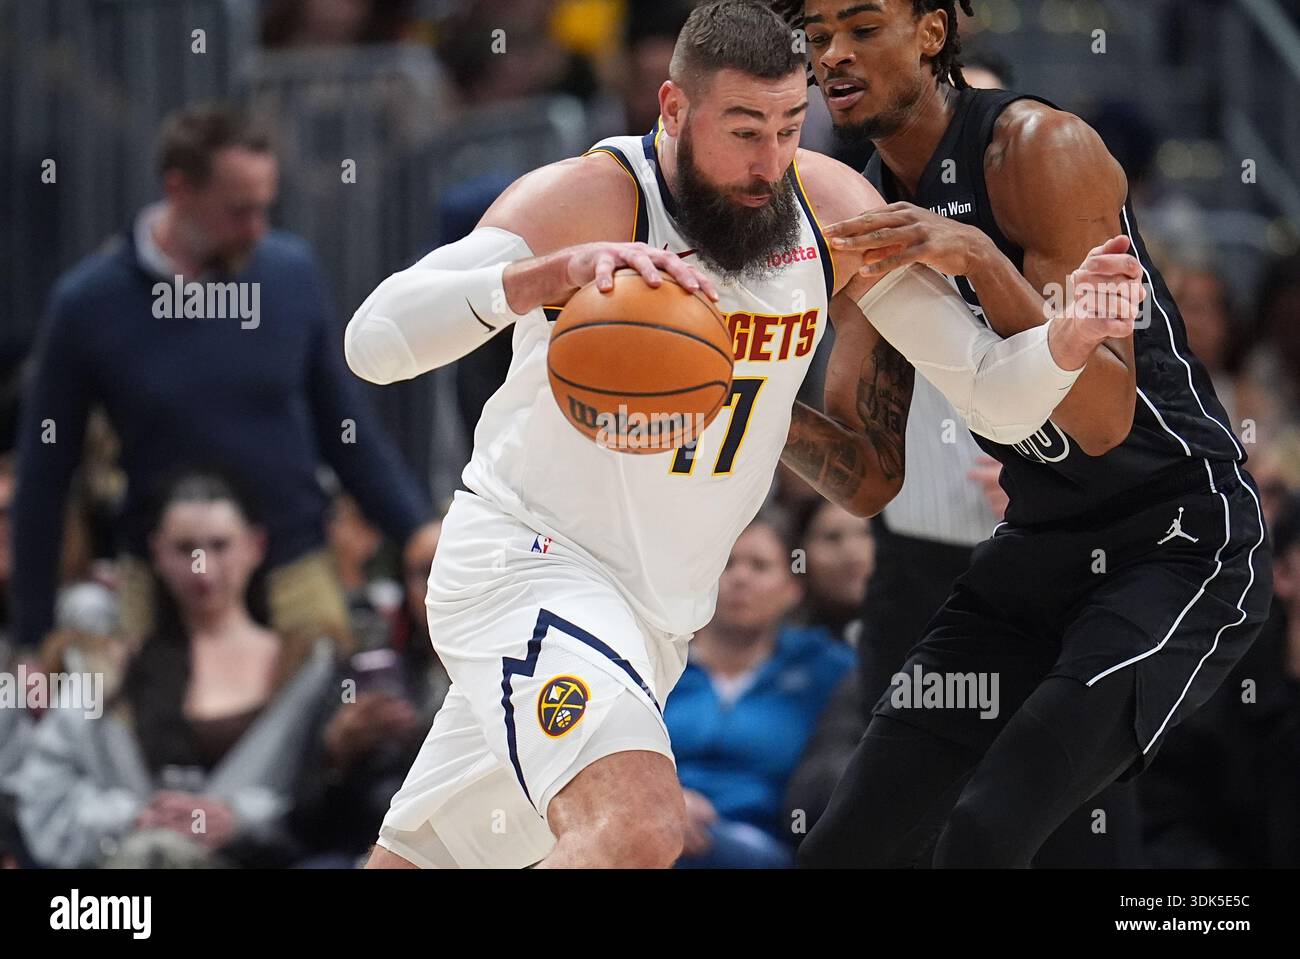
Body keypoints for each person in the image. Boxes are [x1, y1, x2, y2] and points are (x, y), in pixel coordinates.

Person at [346, 0, 1142, 869]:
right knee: (636, 829)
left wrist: (1062, 346)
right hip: (528, 564)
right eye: (744, 130)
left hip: (655, 620)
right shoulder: (596, 195)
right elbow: (374, 342)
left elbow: (991, 395)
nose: (770, 162)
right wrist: (545, 274)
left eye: (790, 127)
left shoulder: (829, 208)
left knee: (421, 861)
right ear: (674, 109)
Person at [788, 0, 1272, 868]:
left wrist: (978, 256)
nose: (834, 57)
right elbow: (867, 477)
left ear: (932, 33)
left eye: (862, 29)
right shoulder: (865, 205)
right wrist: (738, 400)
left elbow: (1101, 416)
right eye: (818, 38)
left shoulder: (1037, 149)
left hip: (1175, 540)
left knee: (988, 831)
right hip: (1038, 548)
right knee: (843, 846)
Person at [10, 104, 439, 654]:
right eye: (239, 211)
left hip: (294, 569)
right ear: (179, 188)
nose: (257, 229)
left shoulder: (289, 274)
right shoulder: (90, 304)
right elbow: (44, 475)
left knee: (331, 727)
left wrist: (414, 529)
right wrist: (31, 638)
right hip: (163, 586)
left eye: (266, 208)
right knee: (153, 735)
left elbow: (347, 429)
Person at [11, 470, 341, 868]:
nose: (203, 568)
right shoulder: (102, 669)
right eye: (185, 549)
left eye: (220, 546)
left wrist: (242, 818)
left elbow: (330, 800)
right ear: (157, 552)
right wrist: (134, 819)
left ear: (255, 545)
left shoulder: (309, 669)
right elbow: (45, 795)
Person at [668, 513, 852, 868]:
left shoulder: (826, 669)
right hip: (651, 819)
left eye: (760, 566)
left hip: (763, 843)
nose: (740, 577)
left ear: (793, 589)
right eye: (727, 563)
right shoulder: (656, 662)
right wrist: (659, 798)